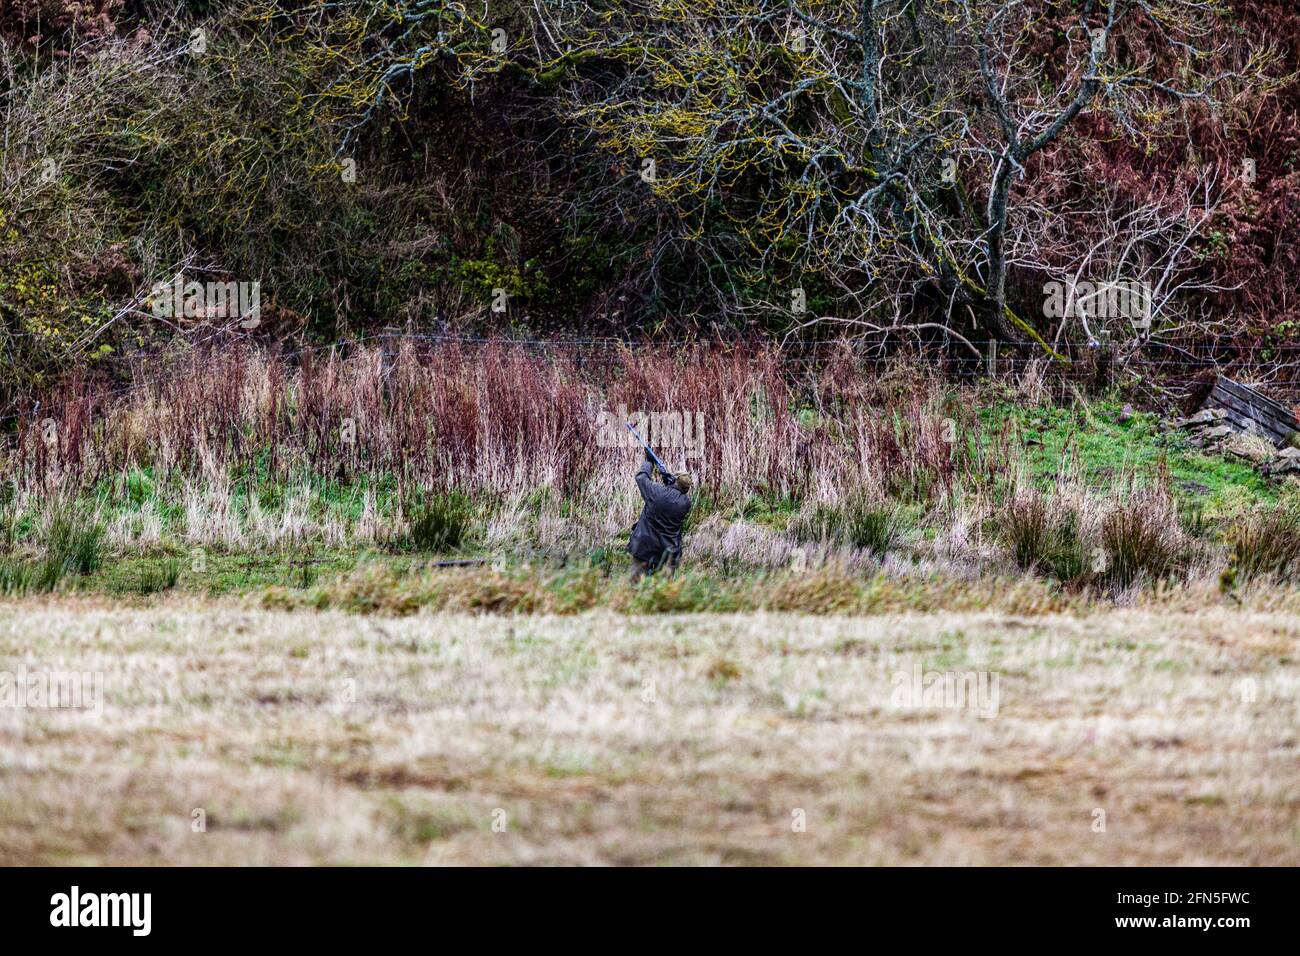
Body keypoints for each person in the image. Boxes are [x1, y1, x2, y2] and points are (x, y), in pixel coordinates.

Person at [627, 448, 692, 581]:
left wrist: (649, 462)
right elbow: (673, 494)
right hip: (668, 554)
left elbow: (641, 478)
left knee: (635, 586)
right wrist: (669, 482)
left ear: (674, 481)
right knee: (663, 592)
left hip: (643, 549)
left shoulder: (657, 493)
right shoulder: (686, 503)